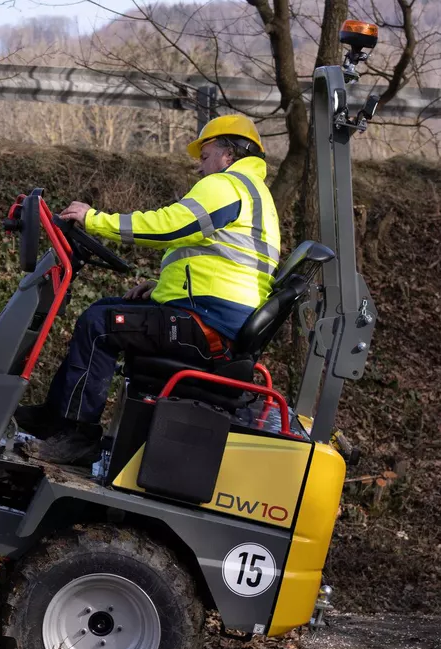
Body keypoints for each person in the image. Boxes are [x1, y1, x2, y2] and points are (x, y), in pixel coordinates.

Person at [17, 115, 281, 466]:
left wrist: (95, 219)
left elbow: (168, 227)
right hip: (215, 318)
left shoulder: (227, 186)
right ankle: (57, 418)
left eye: (204, 157)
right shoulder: (255, 195)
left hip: (209, 325)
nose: (200, 168)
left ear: (228, 154)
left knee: (99, 325)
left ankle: (78, 436)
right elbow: (225, 263)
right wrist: (161, 287)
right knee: (103, 310)